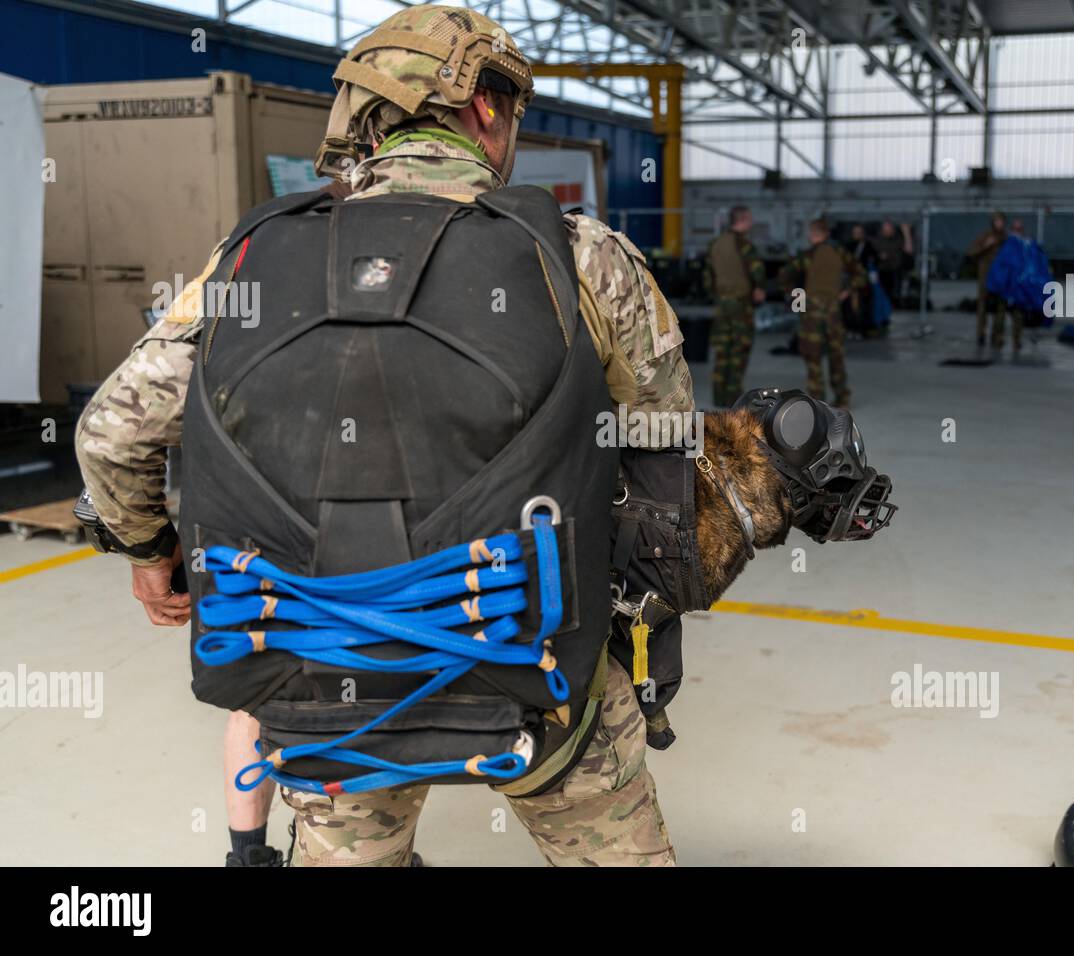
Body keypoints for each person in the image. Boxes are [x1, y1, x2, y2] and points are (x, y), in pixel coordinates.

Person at [75, 3, 693, 867]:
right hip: (545, 676)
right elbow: (663, 438)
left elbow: (110, 432)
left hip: (332, 686)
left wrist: (149, 550)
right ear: (485, 107)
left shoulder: (252, 259)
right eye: (510, 111)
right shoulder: (579, 256)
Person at [778, 218, 868, 407]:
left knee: (813, 357)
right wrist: (847, 290)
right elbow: (860, 274)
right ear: (827, 234)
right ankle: (842, 398)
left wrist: (798, 300)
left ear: (812, 235)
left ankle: (817, 401)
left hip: (811, 315)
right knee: (836, 356)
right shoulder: (840, 253)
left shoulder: (807, 256)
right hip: (833, 313)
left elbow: (785, 276)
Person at [705, 206, 766, 407]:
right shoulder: (745, 246)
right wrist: (758, 290)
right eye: (750, 218)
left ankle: (719, 396)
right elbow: (757, 273)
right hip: (741, 306)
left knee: (722, 351)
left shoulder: (715, 244)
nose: (752, 221)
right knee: (739, 351)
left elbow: (707, 278)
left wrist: (719, 296)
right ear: (743, 219)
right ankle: (733, 398)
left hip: (722, 305)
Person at [966, 211, 1008, 347]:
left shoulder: (1006, 239)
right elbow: (971, 252)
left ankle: (997, 336)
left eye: (1001, 221)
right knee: (982, 307)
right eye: (996, 221)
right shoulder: (985, 236)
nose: (999, 224)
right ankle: (981, 335)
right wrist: (985, 246)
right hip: (985, 276)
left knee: (1000, 308)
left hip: (1001, 278)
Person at [872, 219, 912, 313]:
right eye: (886, 228)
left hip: (895, 271)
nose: (888, 230)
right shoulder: (877, 240)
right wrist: (879, 256)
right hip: (881, 271)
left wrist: (906, 233)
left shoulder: (898, 240)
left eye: (890, 228)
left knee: (894, 291)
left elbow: (909, 250)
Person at [845, 223, 875, 338]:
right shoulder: (848, 246)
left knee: (862, 305)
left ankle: (861, 328)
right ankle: (852, 327)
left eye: (859, 233)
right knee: (849, 305)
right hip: (851, 278)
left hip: (862, 280)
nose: (857, 235)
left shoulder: (868, 246)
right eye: (855, 233)